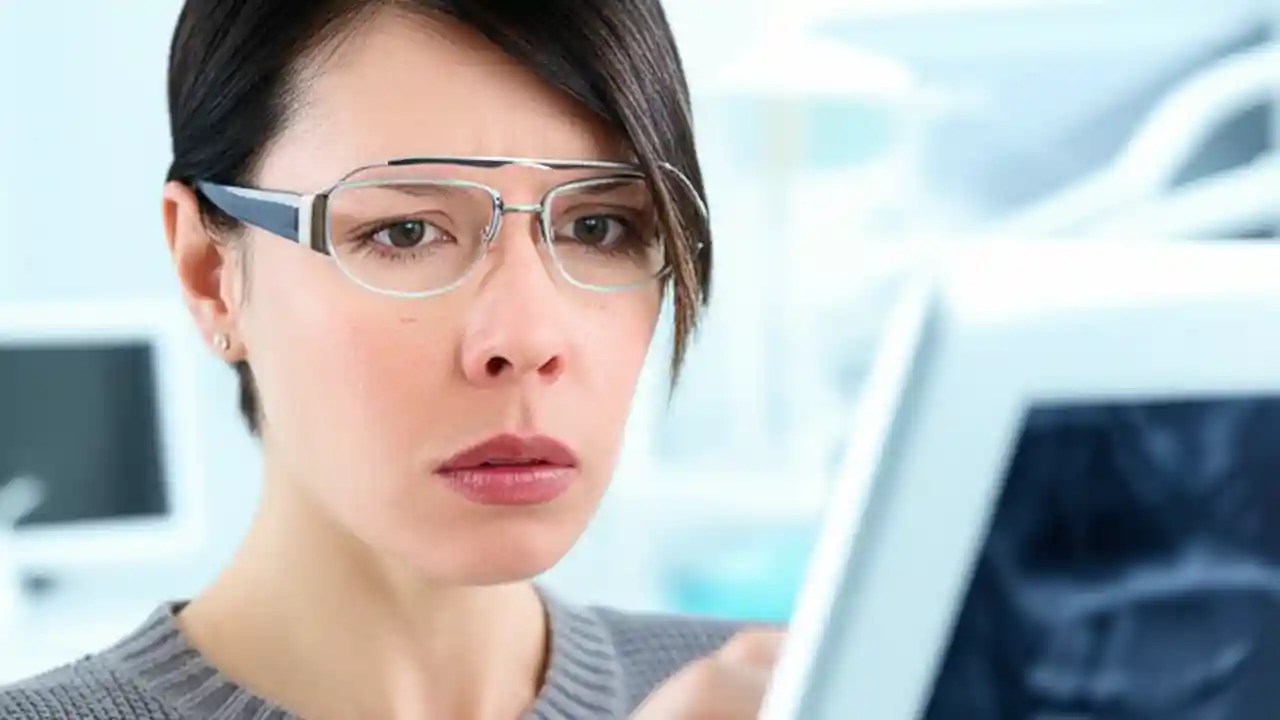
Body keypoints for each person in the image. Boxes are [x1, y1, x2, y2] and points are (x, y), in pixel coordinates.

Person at [0, 1, 785, 718]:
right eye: (405, 233)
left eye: (600, 228)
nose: (526, 339)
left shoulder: (795, 689)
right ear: (211, 273)